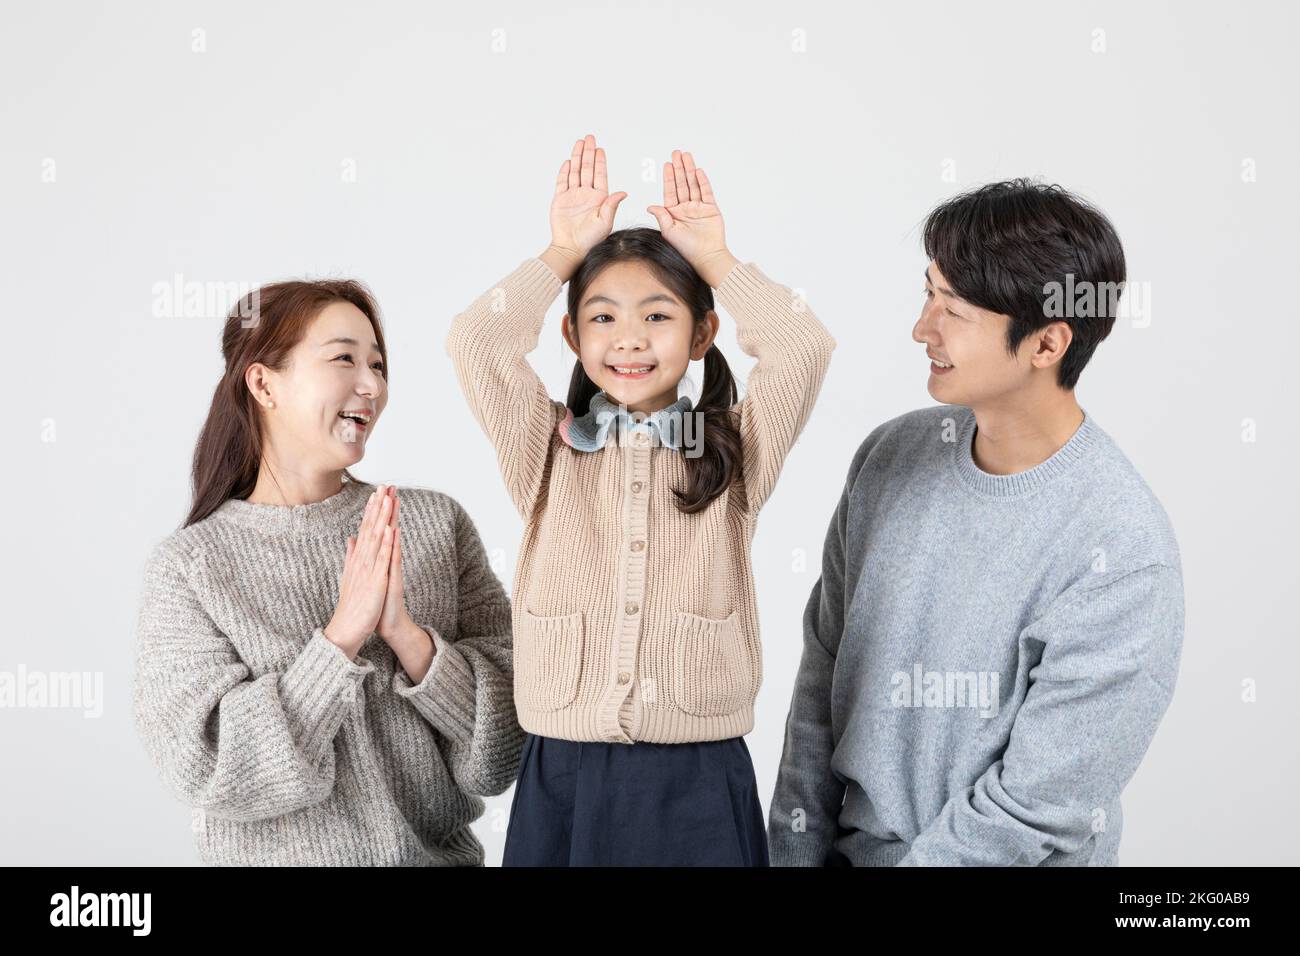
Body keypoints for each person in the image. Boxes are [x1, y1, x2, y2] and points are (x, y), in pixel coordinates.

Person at [769, 178, 1184, 866]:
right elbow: (821, 682)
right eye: (927, 293)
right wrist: (793, 855)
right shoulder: (891, 458)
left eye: (954, 310)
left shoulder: (1120, 544)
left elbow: (1035, 807)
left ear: (1047, 343)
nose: (921, 328)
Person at [446, 133, 836, 865]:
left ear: (701, 334)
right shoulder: (545, 449)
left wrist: (717, 260)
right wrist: (561, 251)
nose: (629, 338)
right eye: (602, 317)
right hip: (564, 771)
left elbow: (802, 346)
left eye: (657, 315)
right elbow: (476, 340)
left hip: (695, 774)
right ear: (571, 333)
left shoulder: (733, 452)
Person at [133, 277, 523, 865]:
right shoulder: (190, 567)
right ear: (264, 383)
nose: (371, 385)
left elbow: (505, 750)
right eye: (344, 358)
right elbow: (208, 769)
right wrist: (340, 640)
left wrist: (411, 642)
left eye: (378, 364)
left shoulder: (436, 524)